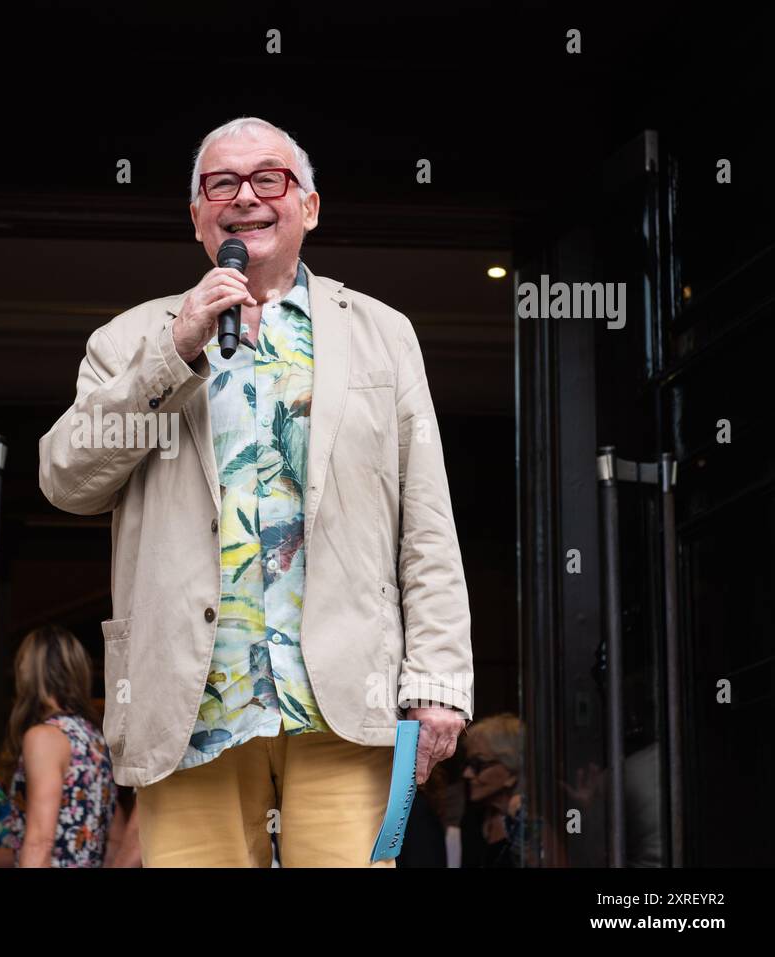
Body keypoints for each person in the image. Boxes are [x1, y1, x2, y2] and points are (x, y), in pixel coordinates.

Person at [38, 116, 474, 867]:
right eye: (222, 183)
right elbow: (69, 479)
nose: (246, 197)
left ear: (307, 205)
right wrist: (174, 351)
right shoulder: (132, 339)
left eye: (269, 178)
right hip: (190, 704)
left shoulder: (382, 334)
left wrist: (437, 680)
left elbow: (426, 519)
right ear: (198, 216)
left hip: (344, 701)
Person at [0, 625, 117, 867]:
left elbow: (40, 842)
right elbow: (115, 837)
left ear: (27, 674)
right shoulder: (95, 740)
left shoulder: (44, 737)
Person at [460, 714, 526, 868]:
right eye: (468, 763)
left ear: (511, 772)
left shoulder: (531, 824)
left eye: (478, 764)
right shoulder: (473, 819)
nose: (467, 773)